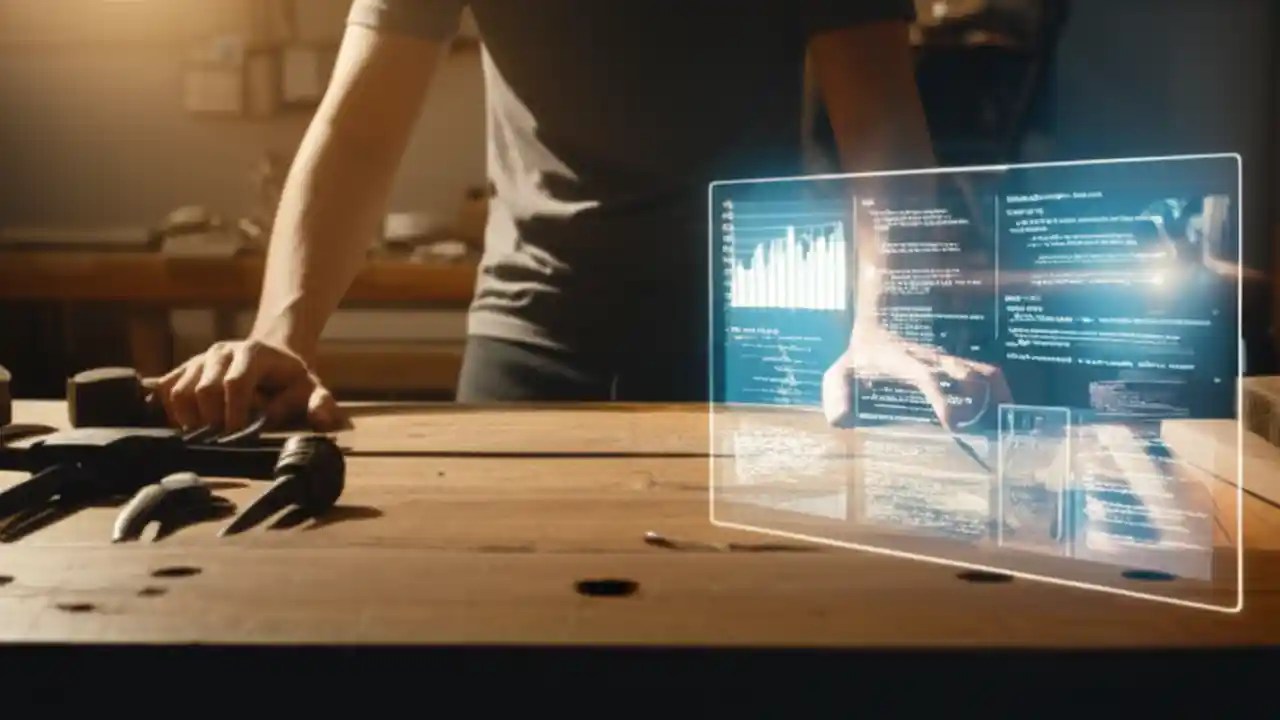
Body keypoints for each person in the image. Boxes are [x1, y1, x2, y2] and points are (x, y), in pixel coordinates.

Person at [157, 0, 937, 433]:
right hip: (535, 336)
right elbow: (359, 132)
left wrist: (888, 322)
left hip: (754, 341)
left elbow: (882, 130)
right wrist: (278, 339)